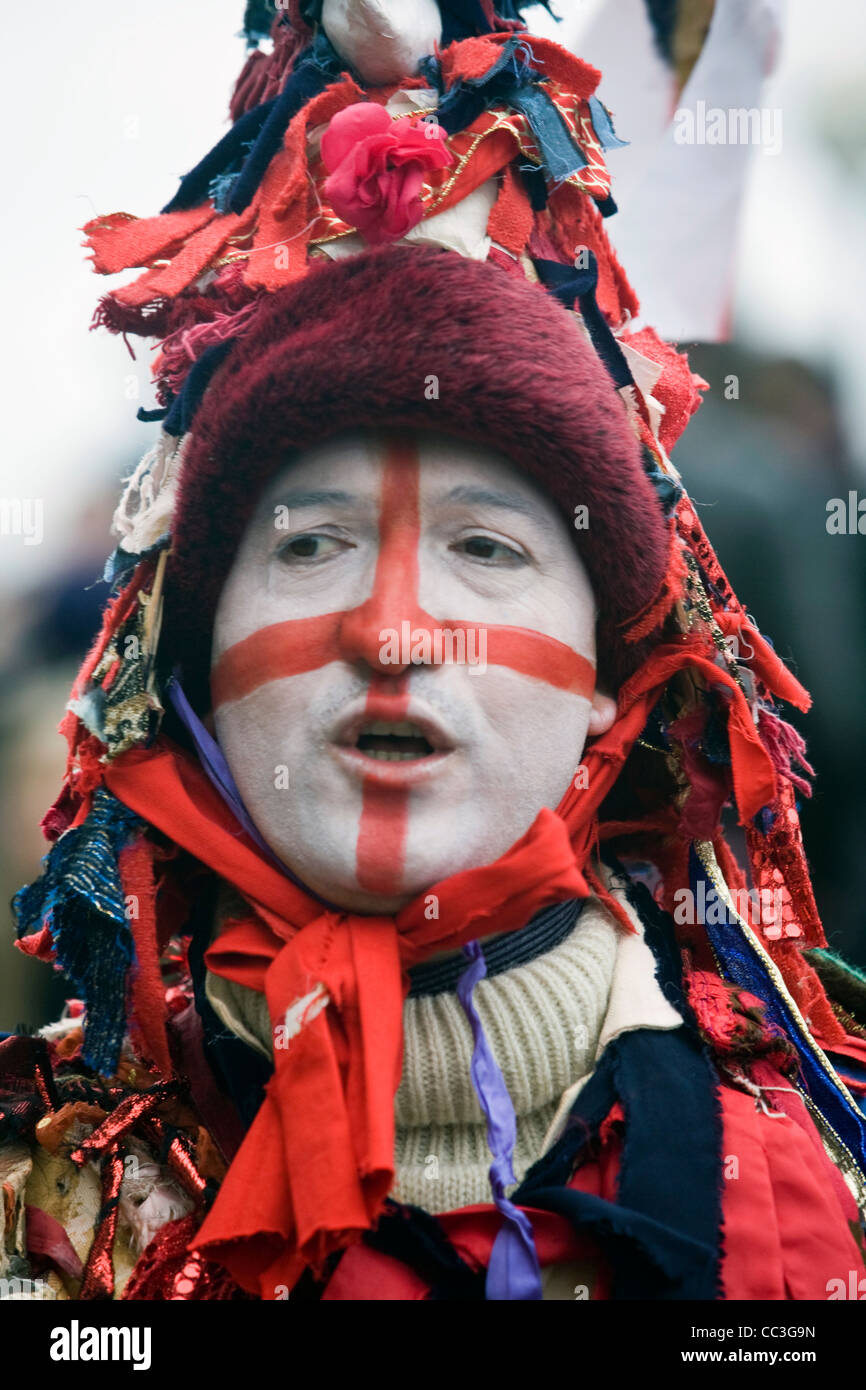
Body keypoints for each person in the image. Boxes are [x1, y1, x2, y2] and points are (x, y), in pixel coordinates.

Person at [3, 0, 866, 1303]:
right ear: (187, 679)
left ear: (600, 685)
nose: (393, 627)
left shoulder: (828, 1195)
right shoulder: (39, 1210)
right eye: (306, 545)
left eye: (489, 547)